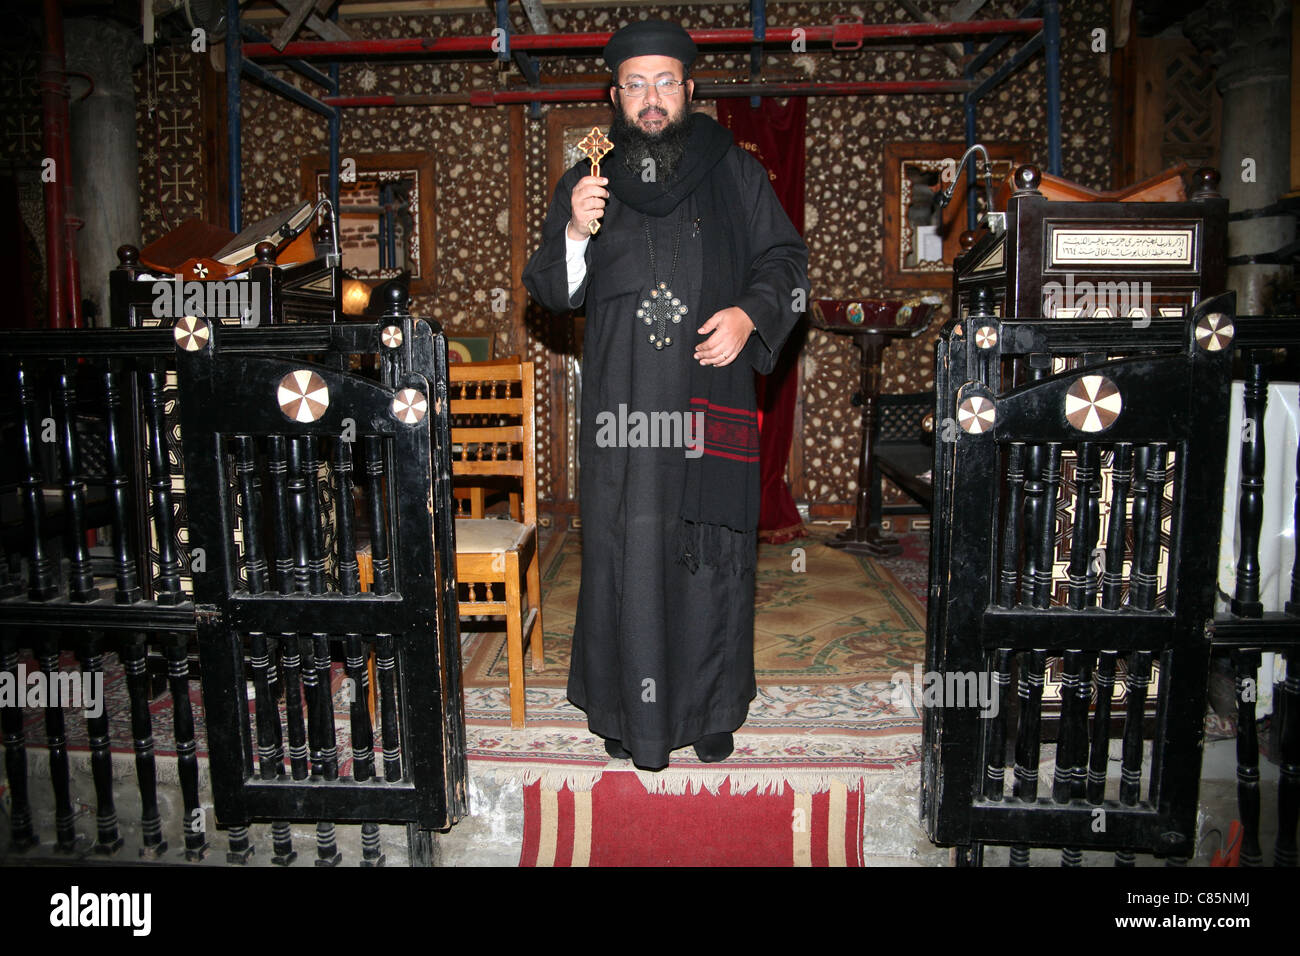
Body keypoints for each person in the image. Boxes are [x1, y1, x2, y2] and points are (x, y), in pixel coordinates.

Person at [523, 19, 809, 770]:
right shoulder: (589, 175)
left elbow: (785, 258)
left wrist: (750, 315)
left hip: (708, 392)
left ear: (690, 87)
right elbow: (552, 290)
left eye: (666, 82)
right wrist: (577, 235)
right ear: (615, 93)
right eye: (635, 84)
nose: (651, 99)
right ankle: (626, 711)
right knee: (625, 548)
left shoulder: (734, 169)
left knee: (710, 548)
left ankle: (713, 708)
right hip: (622, 408)